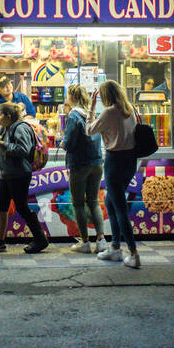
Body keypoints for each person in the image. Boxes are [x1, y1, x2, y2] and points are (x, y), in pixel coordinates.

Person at [0, 102, 51, 254]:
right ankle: (0, 241)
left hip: (19, 174)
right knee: (1, 207)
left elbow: (23, 149)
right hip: (6, 173)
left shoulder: (20, 128)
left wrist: (4, 145)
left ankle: (40, 238)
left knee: (21, 206)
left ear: (8, 116)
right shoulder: (7, 127)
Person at [87, 80, 140, 268]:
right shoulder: (130, 109)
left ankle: (133, 253)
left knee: (119, 208)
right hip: (130, 161)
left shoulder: (109, 112)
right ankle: (115, 247)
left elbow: (89, 130)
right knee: (111, 201)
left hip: (114, 161)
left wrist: (92, 107)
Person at [60, 84, 105, 253]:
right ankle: (101, 240)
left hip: (79, 164)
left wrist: (63, 143)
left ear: (71, 97)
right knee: (93, 201)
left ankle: (85, 242)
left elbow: (70, 142)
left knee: (78, 203)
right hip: (96, 163)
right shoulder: (91, 113)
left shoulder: (73, 115)